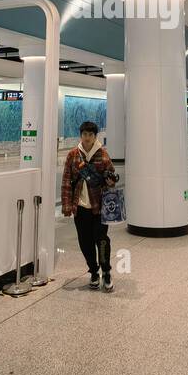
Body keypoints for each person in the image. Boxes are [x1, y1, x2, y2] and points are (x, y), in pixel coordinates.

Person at [60, 121, 118, 291]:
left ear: (95, 136)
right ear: (81, 135)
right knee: (85, 242)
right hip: (80, 208)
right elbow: (66, 181)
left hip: (99, 207)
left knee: (101, 240)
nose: (87, 138)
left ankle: (106, 272)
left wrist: (110, 180)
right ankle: (93, 271)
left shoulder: (103, 154)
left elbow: (112, 179)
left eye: (91, 135)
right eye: (85, 134)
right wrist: (66, 205)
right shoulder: (73, 155)